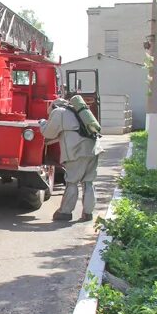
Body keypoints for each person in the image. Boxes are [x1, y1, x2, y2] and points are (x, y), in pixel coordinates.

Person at [41, 94, 103, 222]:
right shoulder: (78, 112)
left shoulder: (59, 112)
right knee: (88, 182)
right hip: (93, 150)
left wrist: (42, 123)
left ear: (53, 107)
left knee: (72, 182)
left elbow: (48, 132)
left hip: (76, 153)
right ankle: (88, 213)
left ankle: (65, 212)